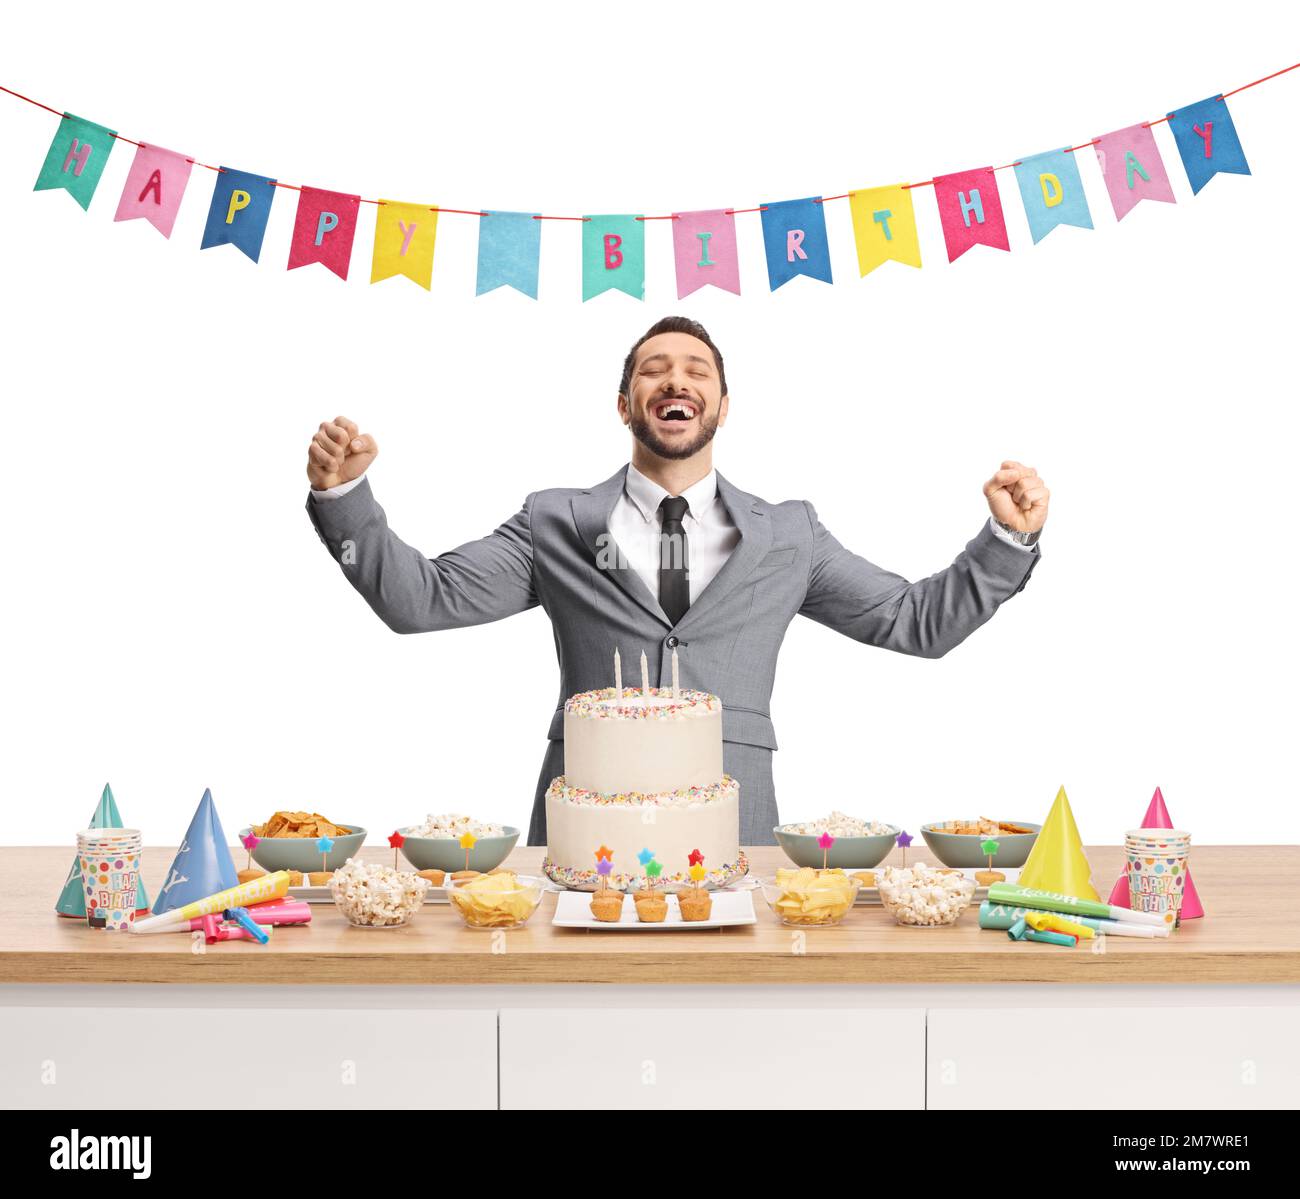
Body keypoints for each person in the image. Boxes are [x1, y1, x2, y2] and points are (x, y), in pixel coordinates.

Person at [305, 315, 1049, 845]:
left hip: (736, 833)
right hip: (583, 836)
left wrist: (1008, 539)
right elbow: (421, 600)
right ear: (626, 403)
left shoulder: (790, 535)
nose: (675, 378)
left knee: (726, 1042)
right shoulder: (554, 521)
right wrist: (345, 502)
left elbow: (914, 622)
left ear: (722, 406)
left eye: (697, 371)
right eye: (653, 369)